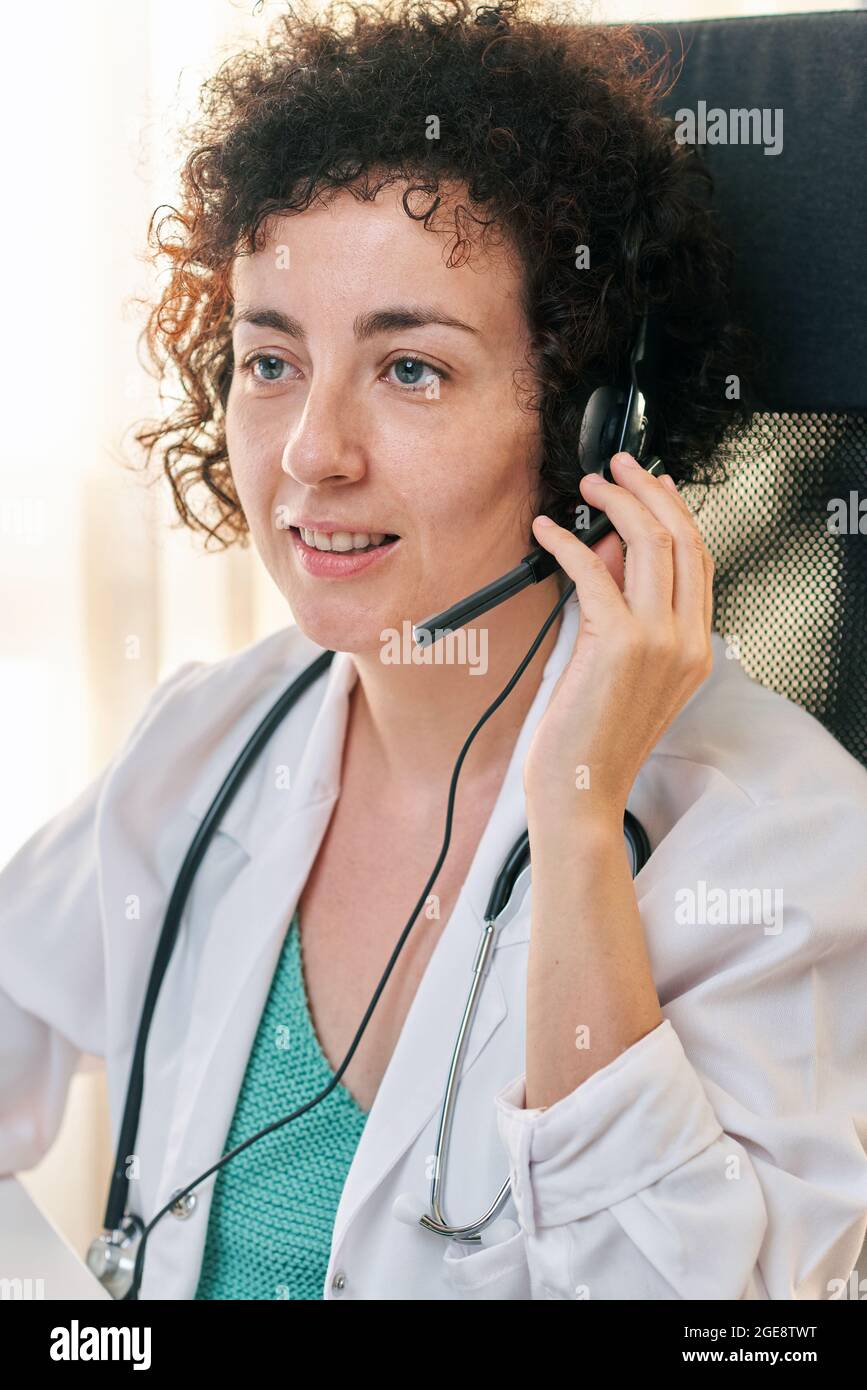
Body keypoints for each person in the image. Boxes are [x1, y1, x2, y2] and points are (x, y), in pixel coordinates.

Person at [2, 0, 866, 1302]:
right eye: (271, 360)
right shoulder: (204, 744)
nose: (310, 454)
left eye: (410, 368)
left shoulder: (783, 840)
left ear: (589, 421)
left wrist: (576, 825)